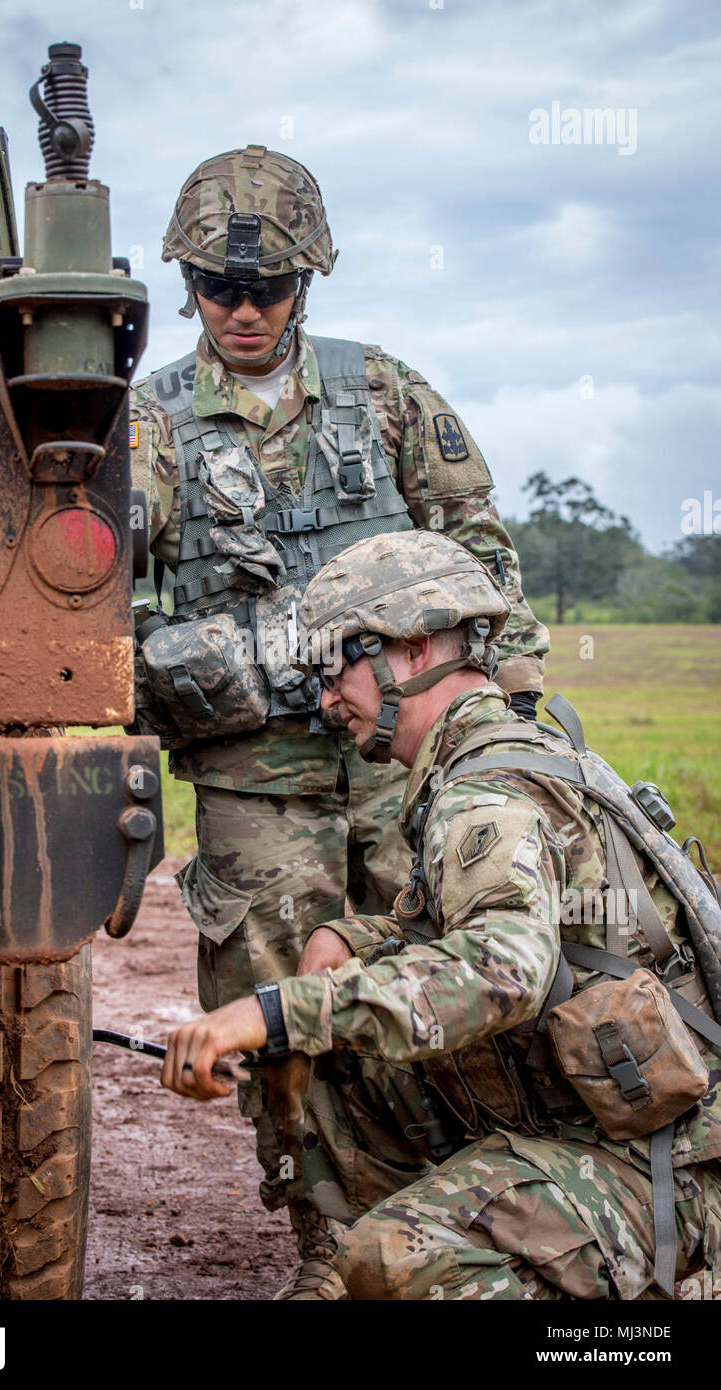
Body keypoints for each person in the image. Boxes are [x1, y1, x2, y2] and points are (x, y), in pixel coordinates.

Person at [131, 145, 550, 1297]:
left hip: (398, 762)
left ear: (308, 282)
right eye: (220, 285)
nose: (245, 307)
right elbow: (87, 608)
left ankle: (461, 1233)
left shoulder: (387, 391)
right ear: (188, 283)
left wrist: (512, 724)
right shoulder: (150, 424)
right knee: (276, 1013)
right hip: (258, 782)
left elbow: (483, 554)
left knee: (443, 980)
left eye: (268, 287)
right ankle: (329, 1249)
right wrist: (199, 666)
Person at [160, 530, 721, 1301]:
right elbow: (471, 934)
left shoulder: (484, 794)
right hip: (593, 1113)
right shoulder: (486, 757)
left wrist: (283, 1010)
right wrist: (348, 938)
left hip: (659, 1161)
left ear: (413, 651)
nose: (325, 701)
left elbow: (504, 973)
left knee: (392, 1266)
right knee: (331, 1053)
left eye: (336, 667)